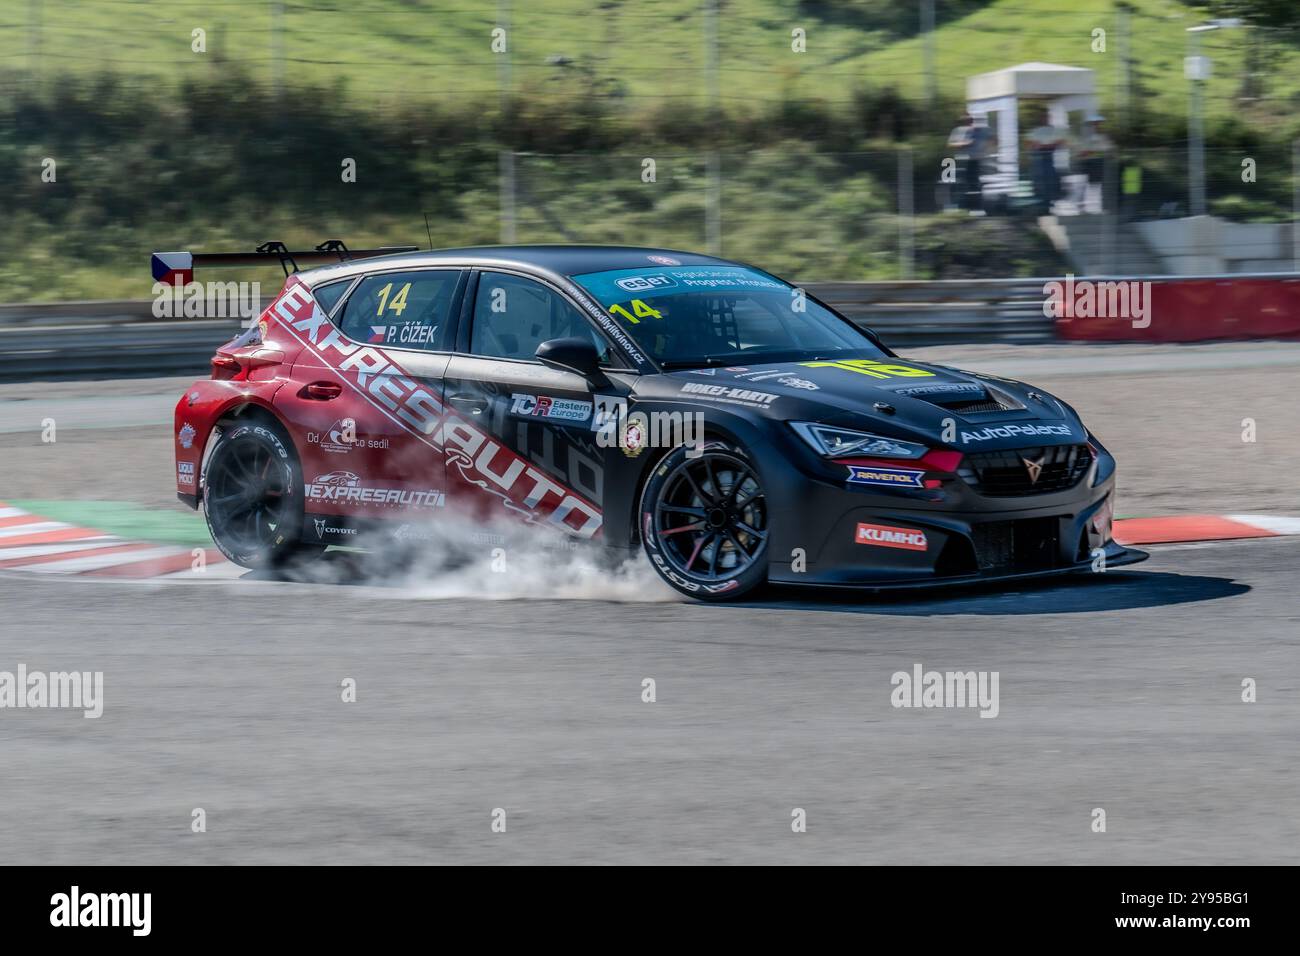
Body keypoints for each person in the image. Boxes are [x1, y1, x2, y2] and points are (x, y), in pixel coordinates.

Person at [1025, 107, 1065, 212]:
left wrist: (1046, 146)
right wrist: (1043, 146)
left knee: (1052, 179)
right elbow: (1030, 144)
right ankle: (1044, 202)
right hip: (1040, 159)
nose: (1045, 119)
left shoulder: (1054, 130)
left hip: (1052, 159)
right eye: (1043, 117)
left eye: (1047, 117)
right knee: (1041, 181)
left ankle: (1051, 201)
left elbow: (1059, 142)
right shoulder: (1036, 131)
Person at [1074, 113, 1113, 213]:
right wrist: (1089, 152)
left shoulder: (1103, 136)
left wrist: (1097, 151)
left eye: (1099, 123)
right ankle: (1081, 206)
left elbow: (1107, 149)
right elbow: (1082, 152)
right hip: (1087, 163)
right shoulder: (1085, 137)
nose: (1098, 125)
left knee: (1099, 185)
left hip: (1099, 162)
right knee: (1084, 185)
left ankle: (1103, 207)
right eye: (1095, 123)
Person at [947, 113, 977, 211]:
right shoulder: (956, 131)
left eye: (970, 120)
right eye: (967, 120)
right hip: (958, 160)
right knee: (956, 183)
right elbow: (950, 144)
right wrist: (962, 144)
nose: (969, 122)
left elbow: (972, 142)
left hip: (971, 161)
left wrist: (961, 144)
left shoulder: (973, 131)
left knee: (971, 184)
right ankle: (956, 205)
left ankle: (970, 207)